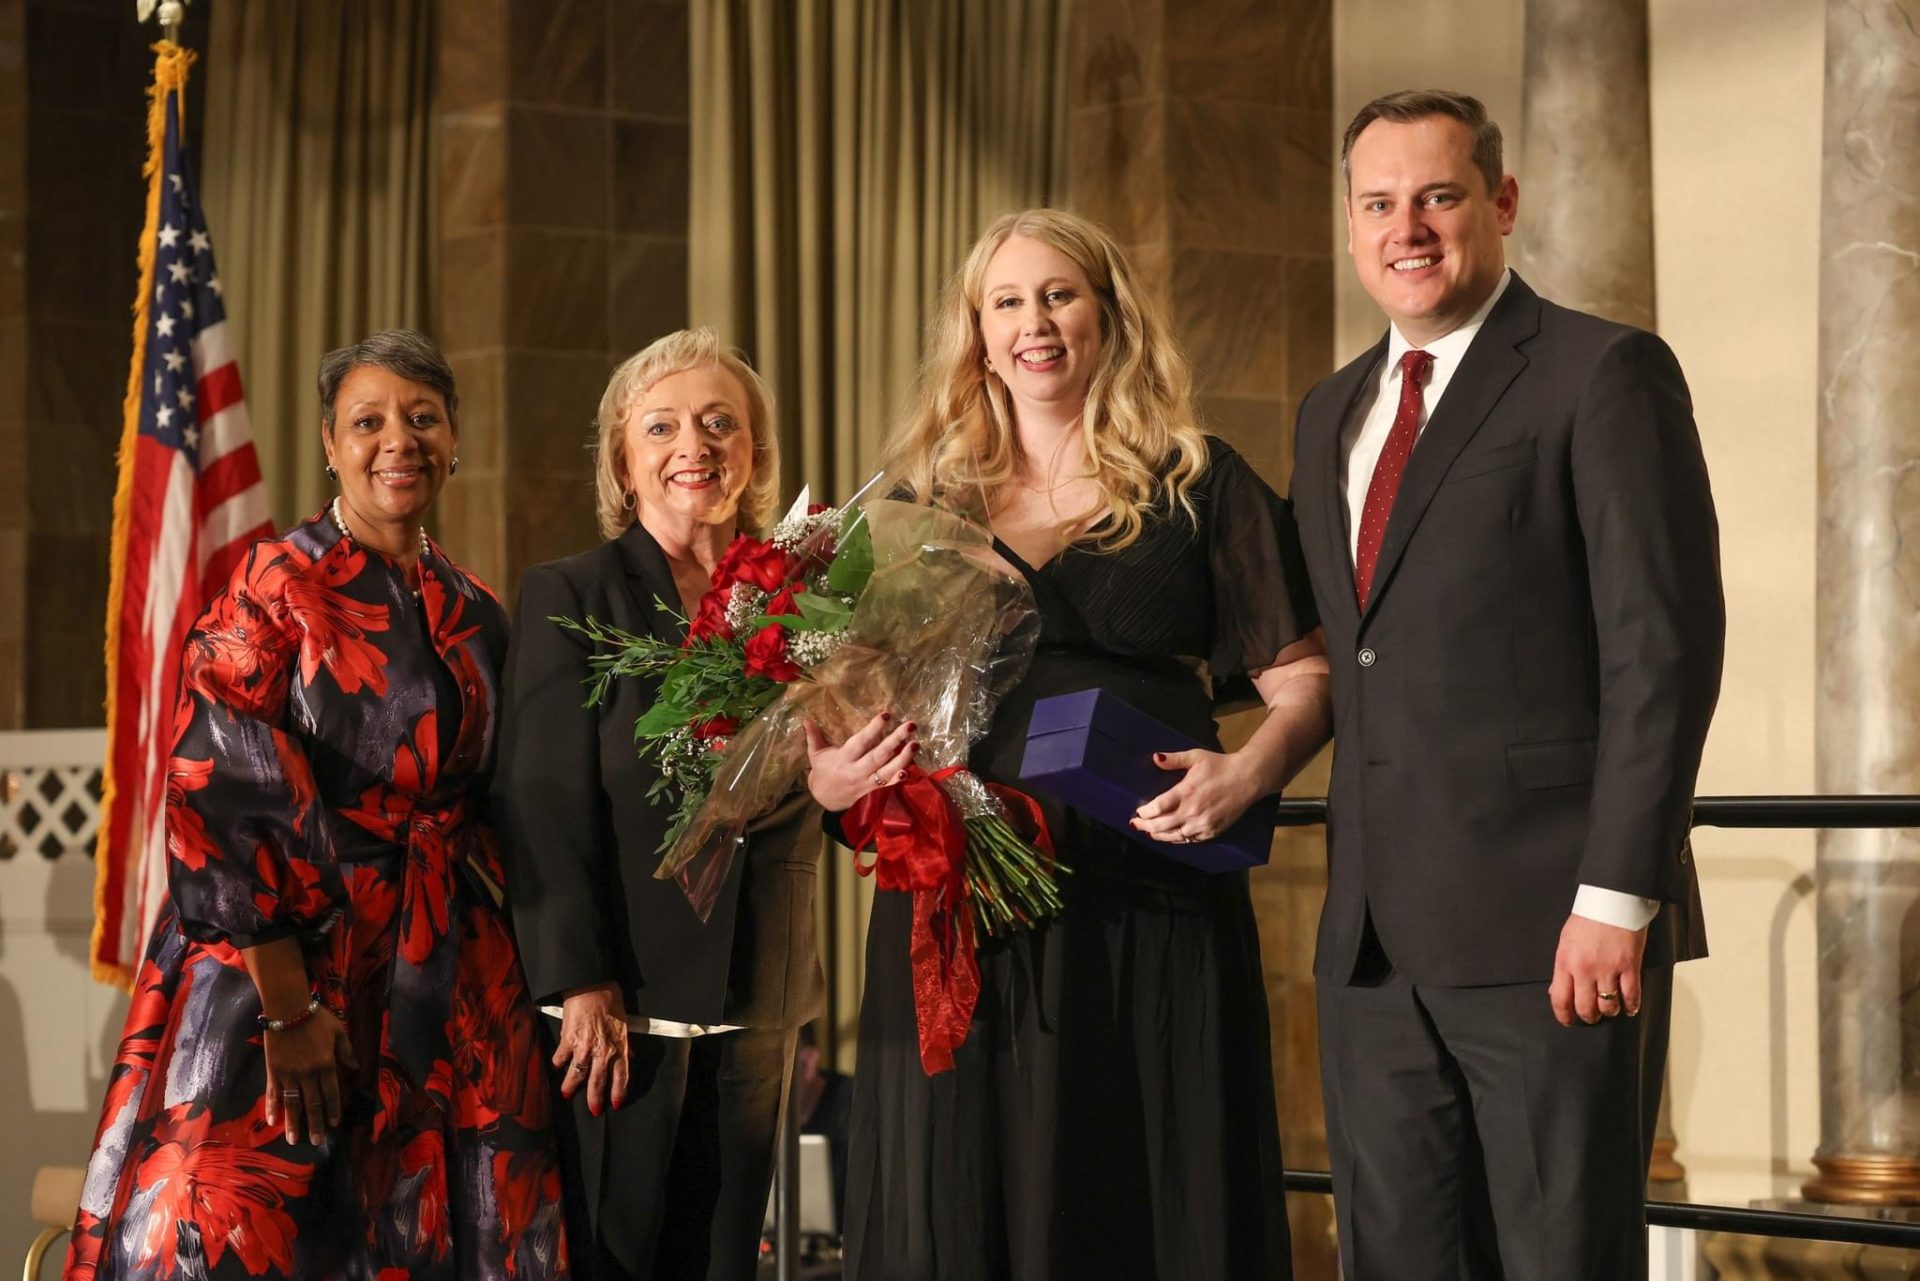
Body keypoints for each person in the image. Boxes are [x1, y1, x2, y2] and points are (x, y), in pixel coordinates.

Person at [805, 208, 1332, 1281]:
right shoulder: (916, 504)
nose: (1034, 324)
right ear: (977, 332)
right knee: (969, 1184)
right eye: (1008, 302)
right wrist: (827, 774)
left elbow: (1307, 683)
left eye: (1059, 295)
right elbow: (833, 700)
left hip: (1146, 891)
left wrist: (1250, 773)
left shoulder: (1199, 480)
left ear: (1108, 315)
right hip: (966, 896)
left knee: (1137, 1178)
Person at [1289, 89, 1721, 1280]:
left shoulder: (1603, 373)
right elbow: (1340, 650)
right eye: (1379, 204)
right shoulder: (1330, 411)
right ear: (1350, 223)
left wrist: (1617, 898)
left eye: (1438, 195)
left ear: (1503, 202)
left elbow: (1664, 652)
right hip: (1372, 950)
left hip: (1554, 940)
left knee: (1557, 1261)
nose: (1407, 228)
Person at [64, 330, 569, 1279]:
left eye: (423, 418)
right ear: (330, 445)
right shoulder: (274, 582)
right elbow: (220, 788)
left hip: (443, 969)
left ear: (456, 440)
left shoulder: (480, 609)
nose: (399, 440)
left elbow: (509, 798)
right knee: (247, 1228)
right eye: (368, 421)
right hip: (285, 969)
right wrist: (288, 1012)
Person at [492, 328, 825, 1281]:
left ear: (755, 450)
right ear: (623, 460)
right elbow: (542, 804)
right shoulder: (572, 593)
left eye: (722, 423)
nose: (697, 444)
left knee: (726, 1264)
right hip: (622, 1015)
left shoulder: (805, 599)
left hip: (757, 997)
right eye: (665, 425)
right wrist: (580, 983)